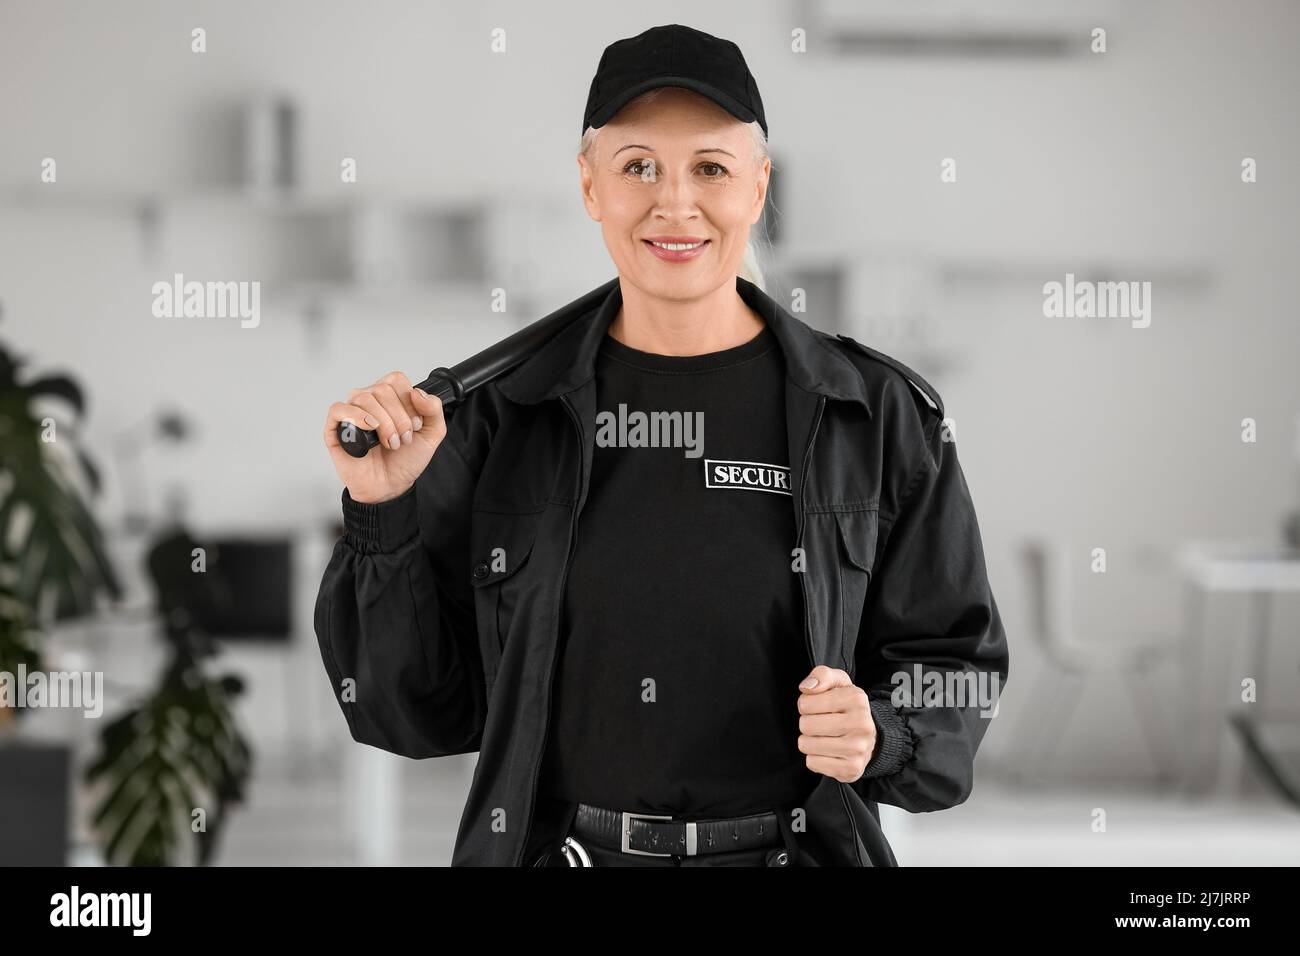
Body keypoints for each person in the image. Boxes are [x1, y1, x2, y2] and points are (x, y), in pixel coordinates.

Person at [315, 23, 1009, 867]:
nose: (673, 203)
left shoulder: (877, 415)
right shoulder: (500, 418)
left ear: (758, 187)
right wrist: (382, 510)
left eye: (710, 168)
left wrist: (885, 732)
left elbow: (958, 667)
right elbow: (412, 711)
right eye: (638, 165)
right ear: (589, 184)